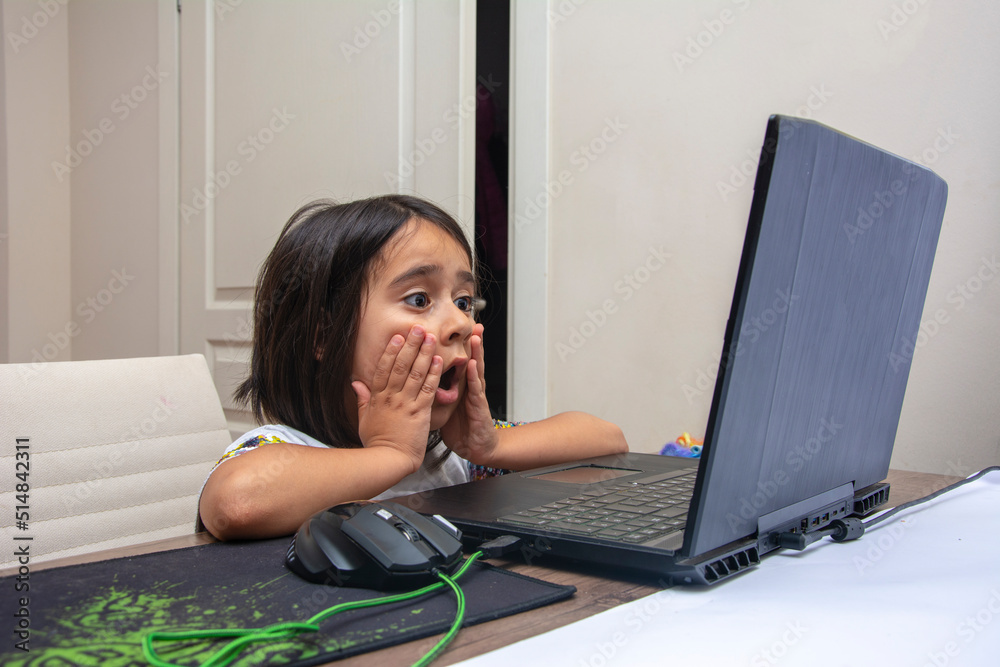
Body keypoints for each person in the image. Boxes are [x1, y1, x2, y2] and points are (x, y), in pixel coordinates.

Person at [198, 194, 628, 540]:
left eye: (463, 301)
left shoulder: (453, 457)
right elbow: (236, 503)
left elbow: (607, 440)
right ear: (322, 336)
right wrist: (390, 453)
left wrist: (491, 447)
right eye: (420, 299)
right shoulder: (281, 448)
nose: (461, 321)